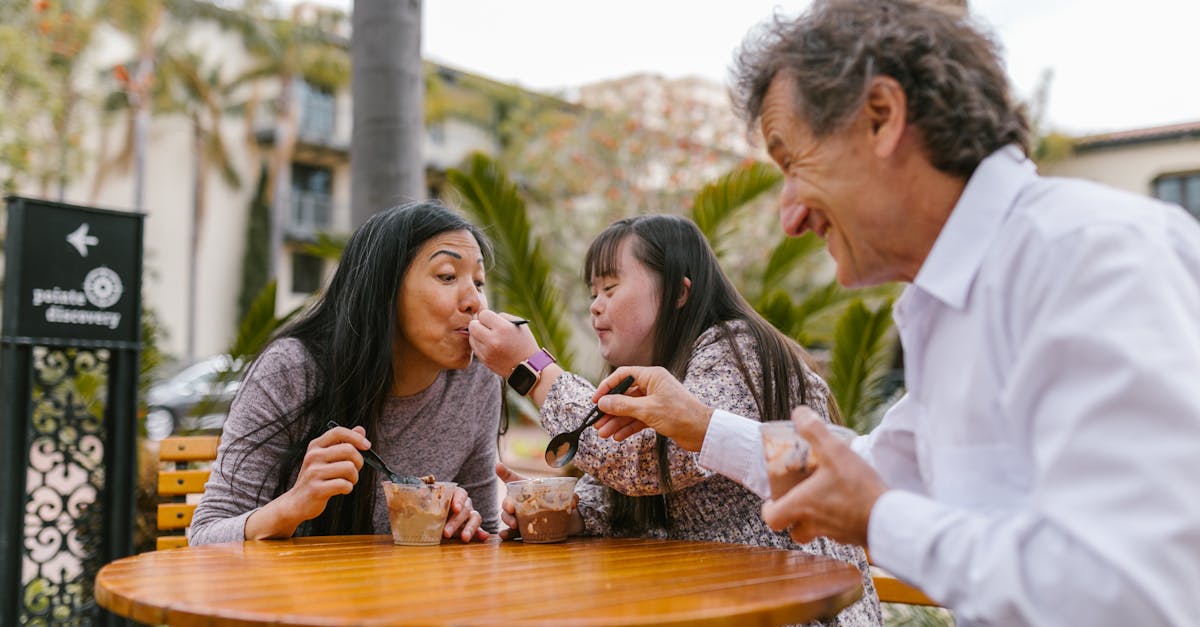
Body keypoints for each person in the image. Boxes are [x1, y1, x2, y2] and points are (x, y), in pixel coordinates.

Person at [588, 1, 1200, 625]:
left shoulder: (1092, 256)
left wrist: (880, 519)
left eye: (793, 164)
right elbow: (880, 465)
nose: (791, 216)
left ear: (881, 117)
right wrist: (697, 424)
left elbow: (1129, 587)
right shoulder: (957, 300)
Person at [469, 214, 882, 626]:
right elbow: (618, 489)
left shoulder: (740, 352)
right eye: (593, 292)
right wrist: (566, 509)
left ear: (678, 292)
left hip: (799, 612)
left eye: (610, 288)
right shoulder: (642, 373)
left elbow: (647, 461)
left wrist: (532, 367)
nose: (595, 305)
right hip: (712, 605)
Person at [190, 201, 500, 545]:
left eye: (479, 282)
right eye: (447, 276)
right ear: (385, 288)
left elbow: (488, 535)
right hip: (290, 596)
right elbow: (204, 537)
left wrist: (465, 527)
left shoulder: (478, 381)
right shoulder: (292, 371)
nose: (475, 301)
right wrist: (292, 507)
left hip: (411, 596)